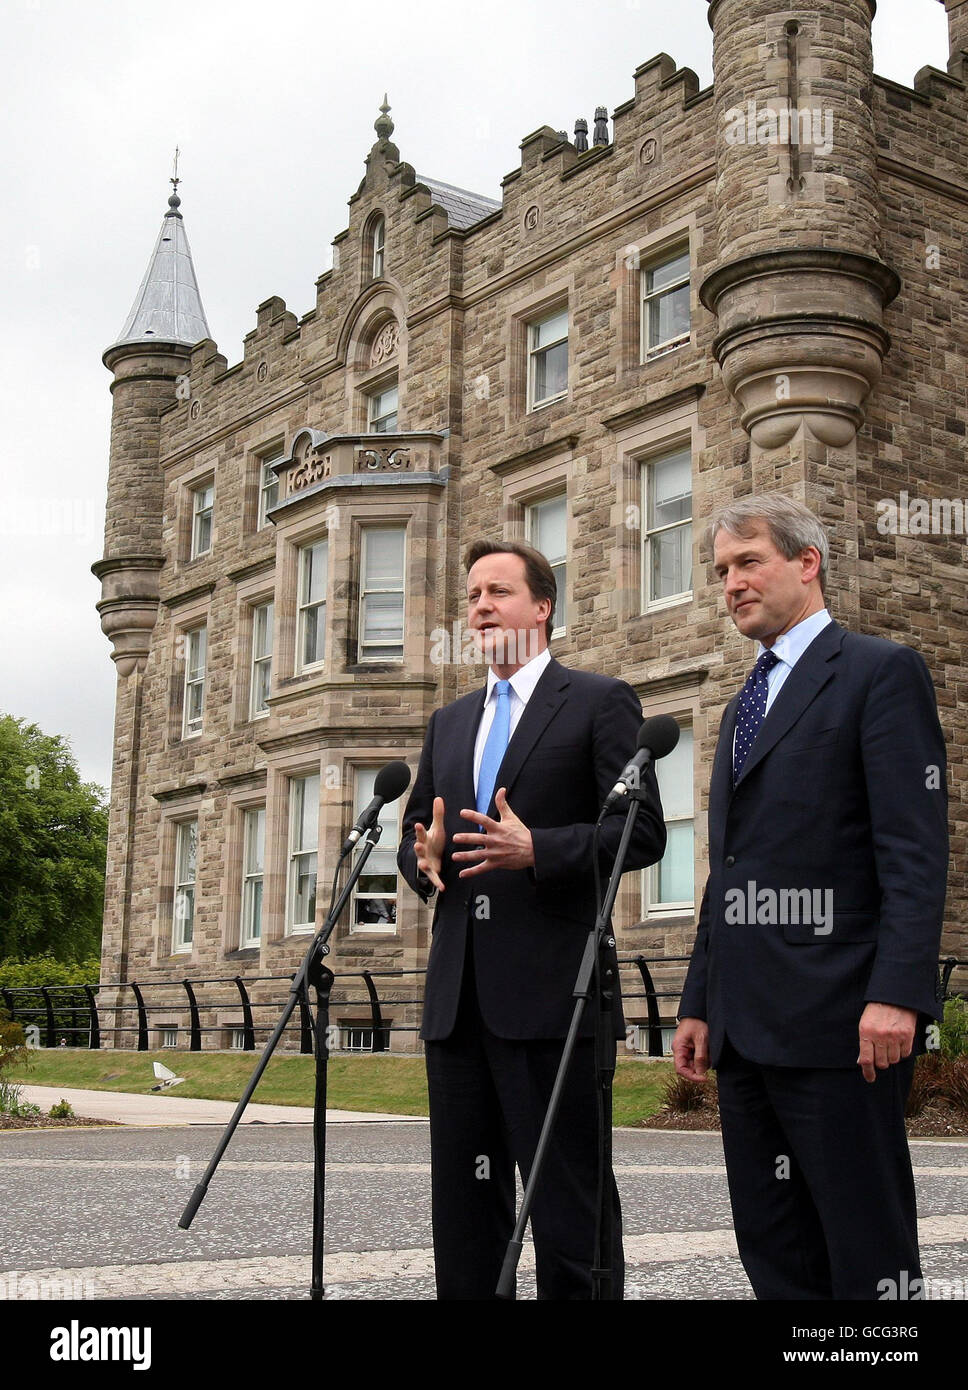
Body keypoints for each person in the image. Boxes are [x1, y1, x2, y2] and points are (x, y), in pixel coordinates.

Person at [673, 493, 948, 1301]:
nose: (731, 583)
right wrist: (699, 1001)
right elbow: (730, 872)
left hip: (842, 1026)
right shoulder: (739, 707)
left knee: (866, 1250)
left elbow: (913, 850)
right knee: (774, 1246)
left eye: (747, 561)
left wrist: (898, 994)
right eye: (721, 570)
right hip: (746, 1028)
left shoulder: (879, 672)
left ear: (806, 561)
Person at [398, 539, 666, 1300]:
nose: (480, 606)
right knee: (465, 1215)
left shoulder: (597, 701)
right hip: (458, 1005)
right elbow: (422, 841)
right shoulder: (449, 722)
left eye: (498, 592)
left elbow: (641, 832)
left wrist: (537, 847)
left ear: (542, 607)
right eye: (473, 594)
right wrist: (426, 860)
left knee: (568, 1210)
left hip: (556, 1001)